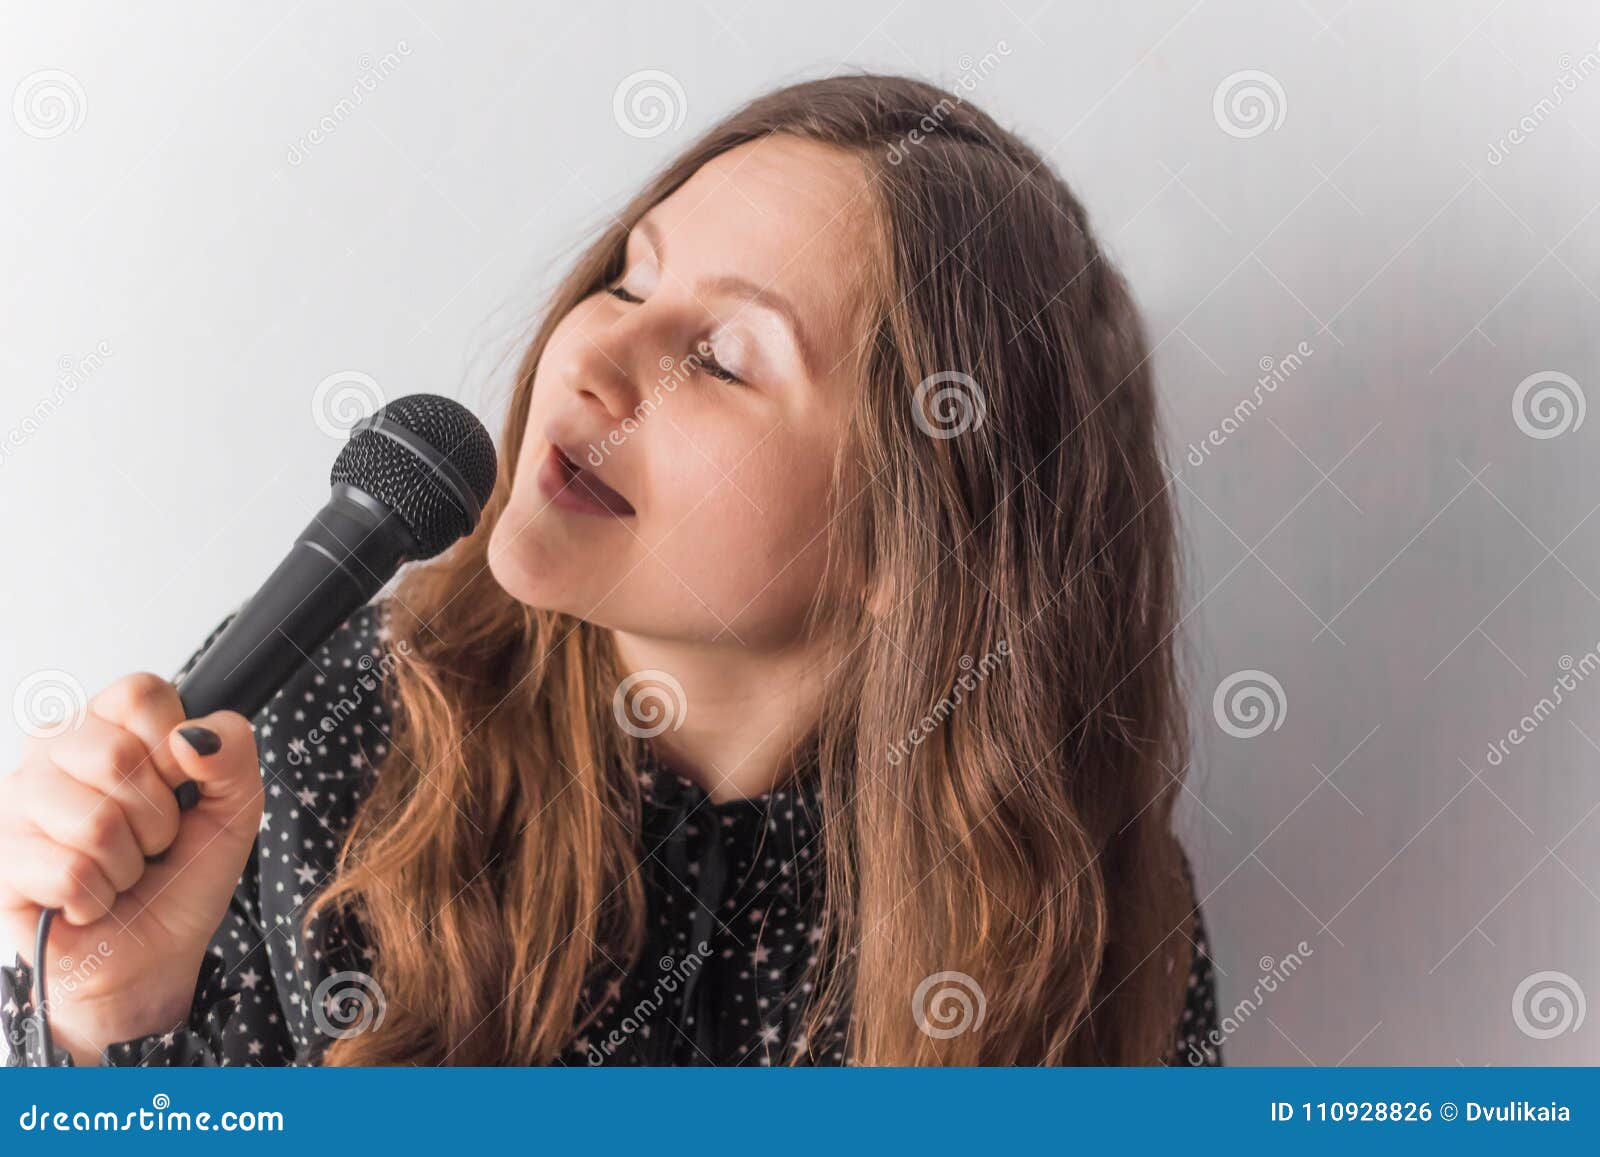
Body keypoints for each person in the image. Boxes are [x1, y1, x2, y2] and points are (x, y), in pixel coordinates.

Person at [2, 73, 1219, 1067]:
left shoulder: (1081, 908)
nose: (592, 355)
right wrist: (90, 1030)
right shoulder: (320, 730)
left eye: (726, 357)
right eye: (628, 279)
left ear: (916, 542)